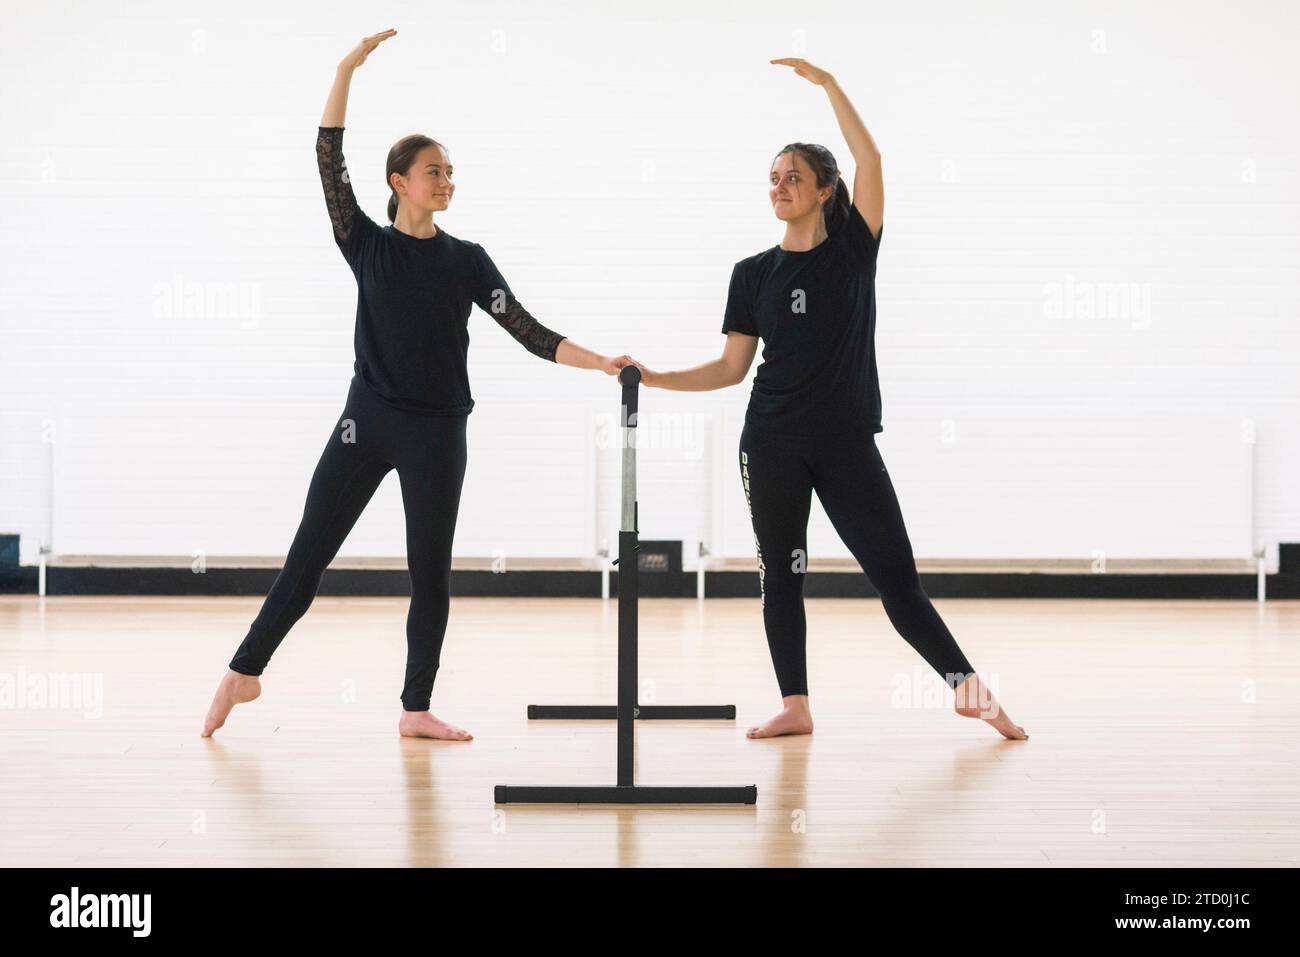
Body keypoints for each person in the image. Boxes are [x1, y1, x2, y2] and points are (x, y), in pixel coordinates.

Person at [203, 29, 630, 740]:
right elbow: (327, 159)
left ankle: (414, 707)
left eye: (452, 171)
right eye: (435, 170)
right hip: (364, 420)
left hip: (438, 430)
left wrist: (601, 362)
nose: (447, 180)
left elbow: (524, 328)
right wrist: (345, 69)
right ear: (400, 181)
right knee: (309, 554)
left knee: (429, 574)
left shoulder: (467, 260)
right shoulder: (364, 241)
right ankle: (245, 670)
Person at [623, 58, 1027, 741]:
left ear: (823, 189)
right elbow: (730, 366)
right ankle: (796, 703)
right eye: (773, 178)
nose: (780, 187)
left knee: (896, 576)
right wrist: (656, 376)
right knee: (781, 576)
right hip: (771, 441)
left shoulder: (853, 253)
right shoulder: (751, 273)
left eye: (793, 178)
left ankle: (967, 689)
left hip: (845, 443)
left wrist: (830, 86)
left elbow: (871, 156)